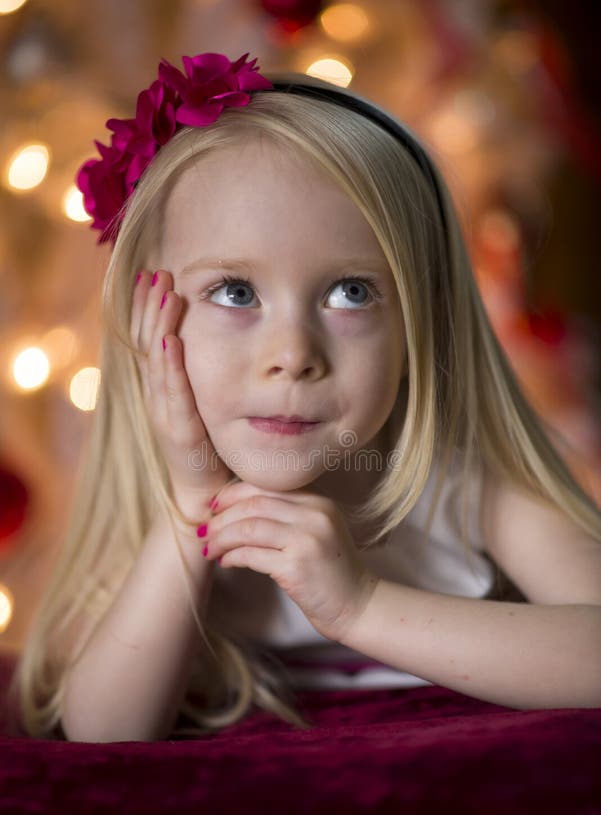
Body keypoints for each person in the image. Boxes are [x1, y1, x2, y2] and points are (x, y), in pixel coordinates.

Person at [8, 51, 601, 743]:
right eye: (234, 292)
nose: (292, 355)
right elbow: (102, 733)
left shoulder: (469, 489)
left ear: (420, 321)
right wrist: (190, 514)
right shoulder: (155, 503)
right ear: (151, 320)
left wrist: (360, 605)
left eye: (350, 292)